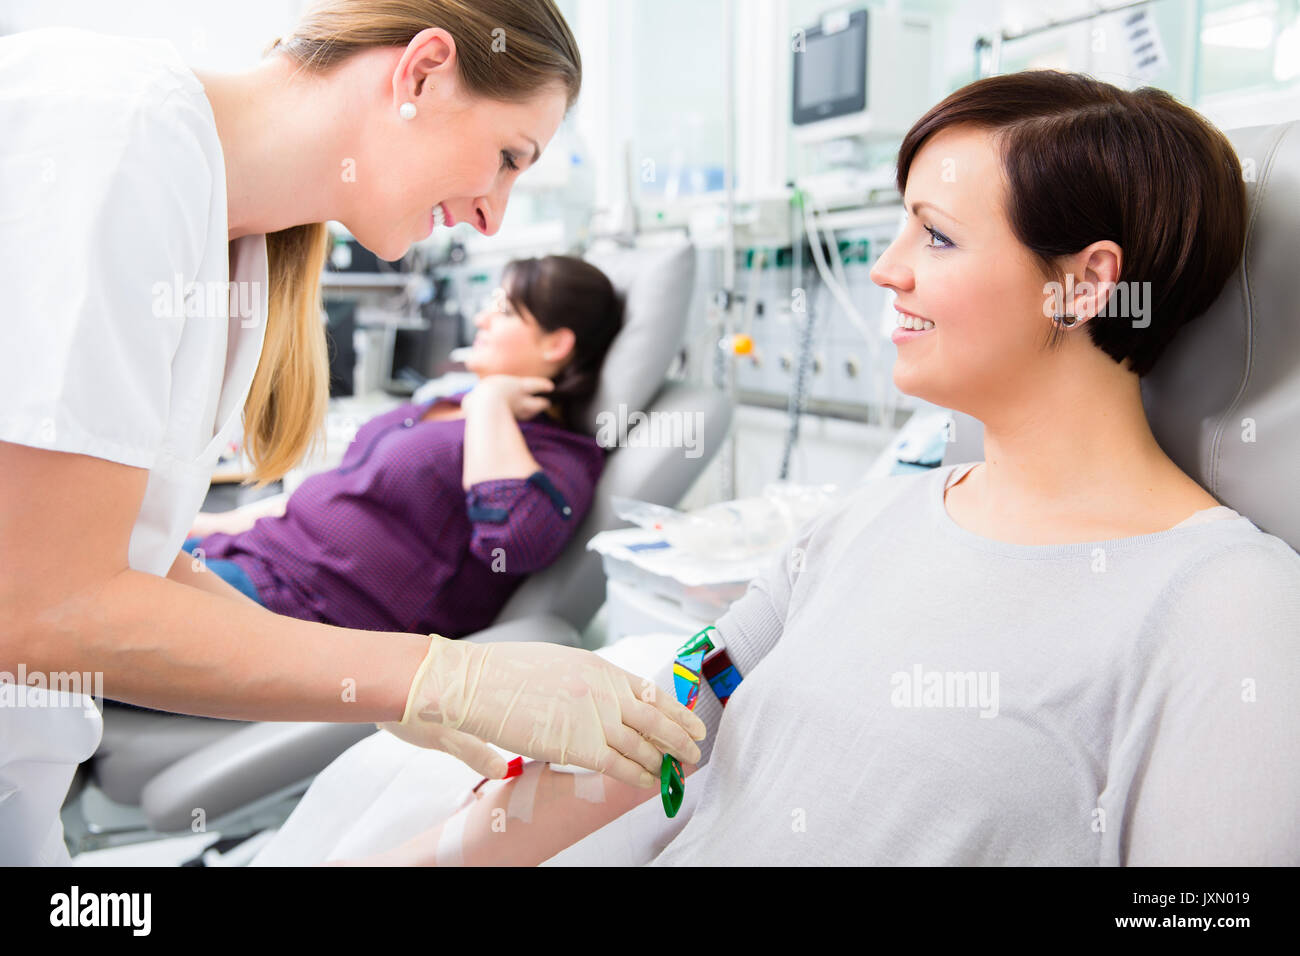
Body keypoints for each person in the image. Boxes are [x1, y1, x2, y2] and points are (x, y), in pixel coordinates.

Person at [263, 70, 1300, 867]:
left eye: (934, 235)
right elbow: (663, 723)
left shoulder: (1221, 606)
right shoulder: (863, 527)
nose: (886, 267)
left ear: (1082, 287)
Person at [0, 3, 704, 867]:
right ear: (422, 72)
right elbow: (37, 605)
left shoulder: (236, 256)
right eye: (509, 157)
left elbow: (108, 558)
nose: (494, 217)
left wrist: (408, 692)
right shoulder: (122, 140)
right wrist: (438, 677)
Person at [183, 256, 619, 636]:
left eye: (503, 312)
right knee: (125, 550)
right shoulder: (447, 404)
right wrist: (204, 523)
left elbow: (514, 539)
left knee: (117, 602)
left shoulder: (558, 453)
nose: (482, 320)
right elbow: (344, 490)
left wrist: (490, 401)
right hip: (252, 555)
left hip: (305, 607)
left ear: (557, 343)